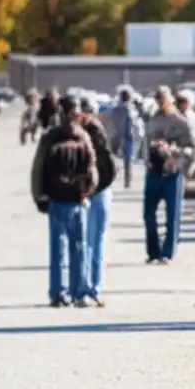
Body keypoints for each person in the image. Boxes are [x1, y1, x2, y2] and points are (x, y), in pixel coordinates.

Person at [30, 97, 98, 307]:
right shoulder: (73, 137)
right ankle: (71, 292)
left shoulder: (57, 137)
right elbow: (92, 169)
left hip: (68, 201)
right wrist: (89, 190)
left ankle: (67, 292)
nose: (71, 120)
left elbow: (38, 169)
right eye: (70, 115)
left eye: (74, 116)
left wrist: (40, 197)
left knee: (69, 248)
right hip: (67, 201)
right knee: (72, 248)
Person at [144, 87, 195, 264]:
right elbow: (145, 142)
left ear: (170, 100)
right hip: (153, 171)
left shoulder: (182, 122)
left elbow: (192, 148)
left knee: (172, 216)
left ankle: (167, 253)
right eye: (157, 99)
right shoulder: (153, 120)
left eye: (163, 99)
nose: (160, 102)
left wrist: (174, 150)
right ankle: (153, 251)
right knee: (148, 215)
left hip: (173, 172)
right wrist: (147, 156)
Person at [75, 101, 116, 307]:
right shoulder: (81, 133)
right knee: (88, 242)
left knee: (93, 242)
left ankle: (91, 288)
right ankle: (86, 288)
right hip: (89, 192)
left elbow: (107, 167)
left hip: (96, 191)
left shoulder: (93, 133)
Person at [103, 87, 139, 188]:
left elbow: (111, 122)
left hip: (116, 135)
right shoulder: (130, 109)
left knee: (114, 159)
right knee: (128, 161)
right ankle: (127, 181)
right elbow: (133, 125)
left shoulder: (115, 109)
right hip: (128, 137)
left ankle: (113, 178)